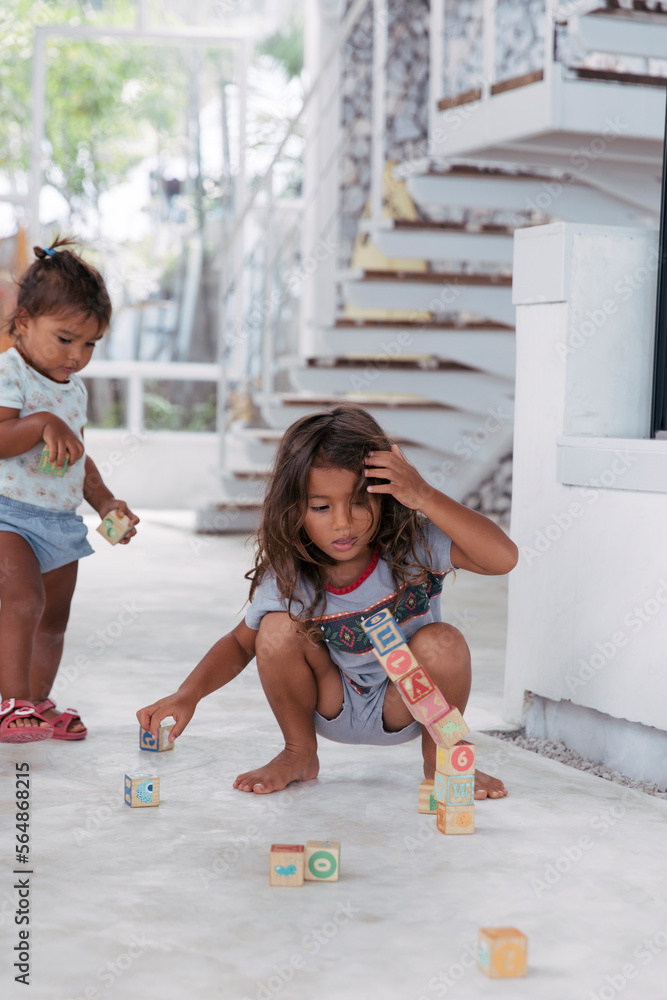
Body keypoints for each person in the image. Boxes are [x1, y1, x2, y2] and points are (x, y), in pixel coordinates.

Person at [138, 405, 517, 797]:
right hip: (331, 702)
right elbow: (239, 644)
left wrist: (424, 495)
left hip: (404, 704)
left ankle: (441, 758)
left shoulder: (414, 546)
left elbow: (503, 558)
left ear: (385, 497)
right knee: (275, 627)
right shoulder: (291, 574)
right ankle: (299, 752)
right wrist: (188, 695)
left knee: (444, 641)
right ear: (294, 509)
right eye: (321, 507)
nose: (342, 523)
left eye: (358, 502)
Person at [0, 238, 139, 743]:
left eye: (89, 345)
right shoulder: (8, 371)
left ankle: (37, 703)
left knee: (54, 620)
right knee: (21, 600)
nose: (77, 356)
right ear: (23, 324)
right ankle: (10, 703)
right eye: (65, 340)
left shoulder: (72, 389)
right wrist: (39, 423)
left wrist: (105, 503)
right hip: (8, 515)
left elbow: (78, 455)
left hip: (58, 520)